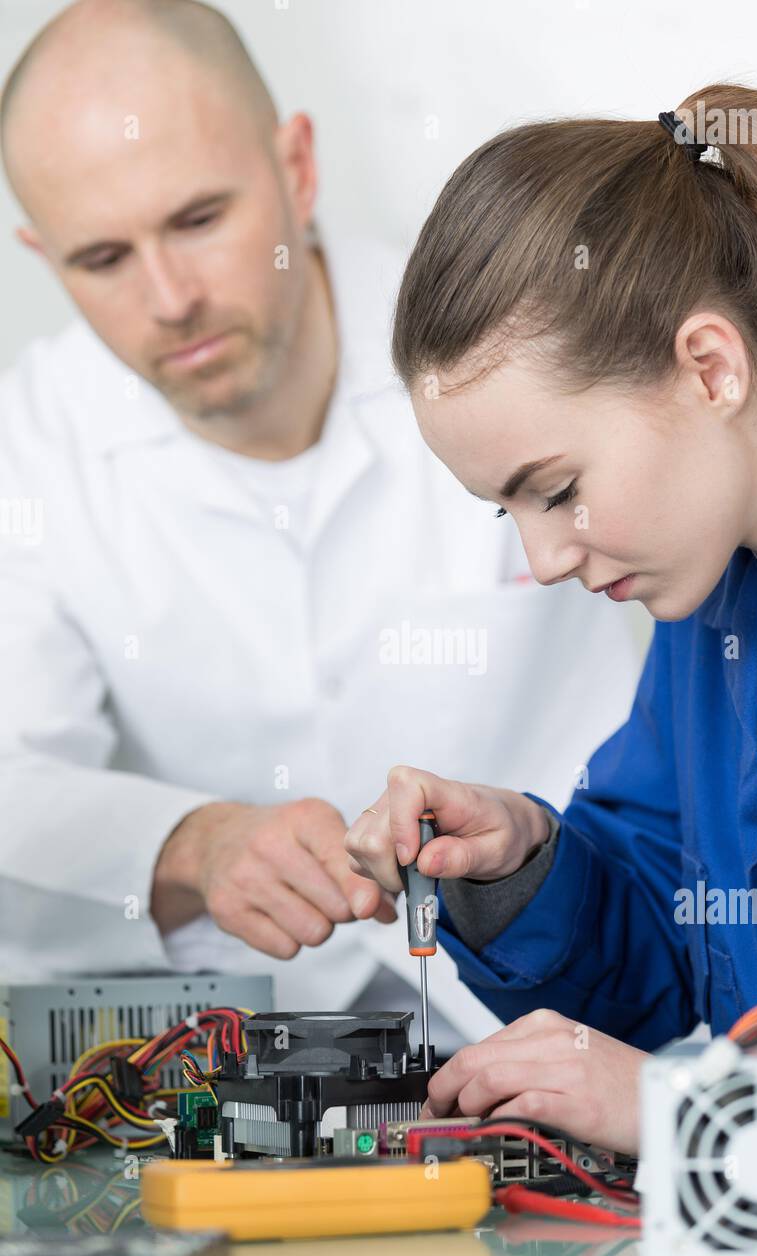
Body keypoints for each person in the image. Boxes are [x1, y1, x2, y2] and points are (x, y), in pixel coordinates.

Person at [0, 0, 642, 1053]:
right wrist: (187, 844)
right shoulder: (30, 445)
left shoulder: (498, 347)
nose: (170, 299)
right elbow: (11, 784)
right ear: (43, 253)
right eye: (102, 259)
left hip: (575, 1021)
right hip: (246, 1064)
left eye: (200, 219)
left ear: (296, 166)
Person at [344, 84, 757, 1151]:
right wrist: (520, 869)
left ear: (708, 368)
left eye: (554, 487)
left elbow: (682, 1084)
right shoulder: (710, 603)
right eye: (508, 510)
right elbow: (674, 969)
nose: (540, 562)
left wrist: (699, 1113)